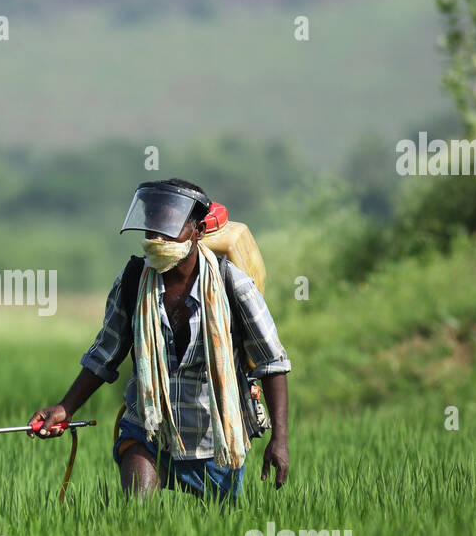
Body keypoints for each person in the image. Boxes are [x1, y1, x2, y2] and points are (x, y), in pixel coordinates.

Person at [29, 178, 291, 503]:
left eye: (168, 224)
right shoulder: (132, 283)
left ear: (197, 230)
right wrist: (65, 408)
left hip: (215, 436)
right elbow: (104, 355)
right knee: (139, 515)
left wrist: (279, 438)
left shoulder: (232, 286)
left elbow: (271, 362)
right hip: (148, 428)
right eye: (151, 225)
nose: (156, 236)